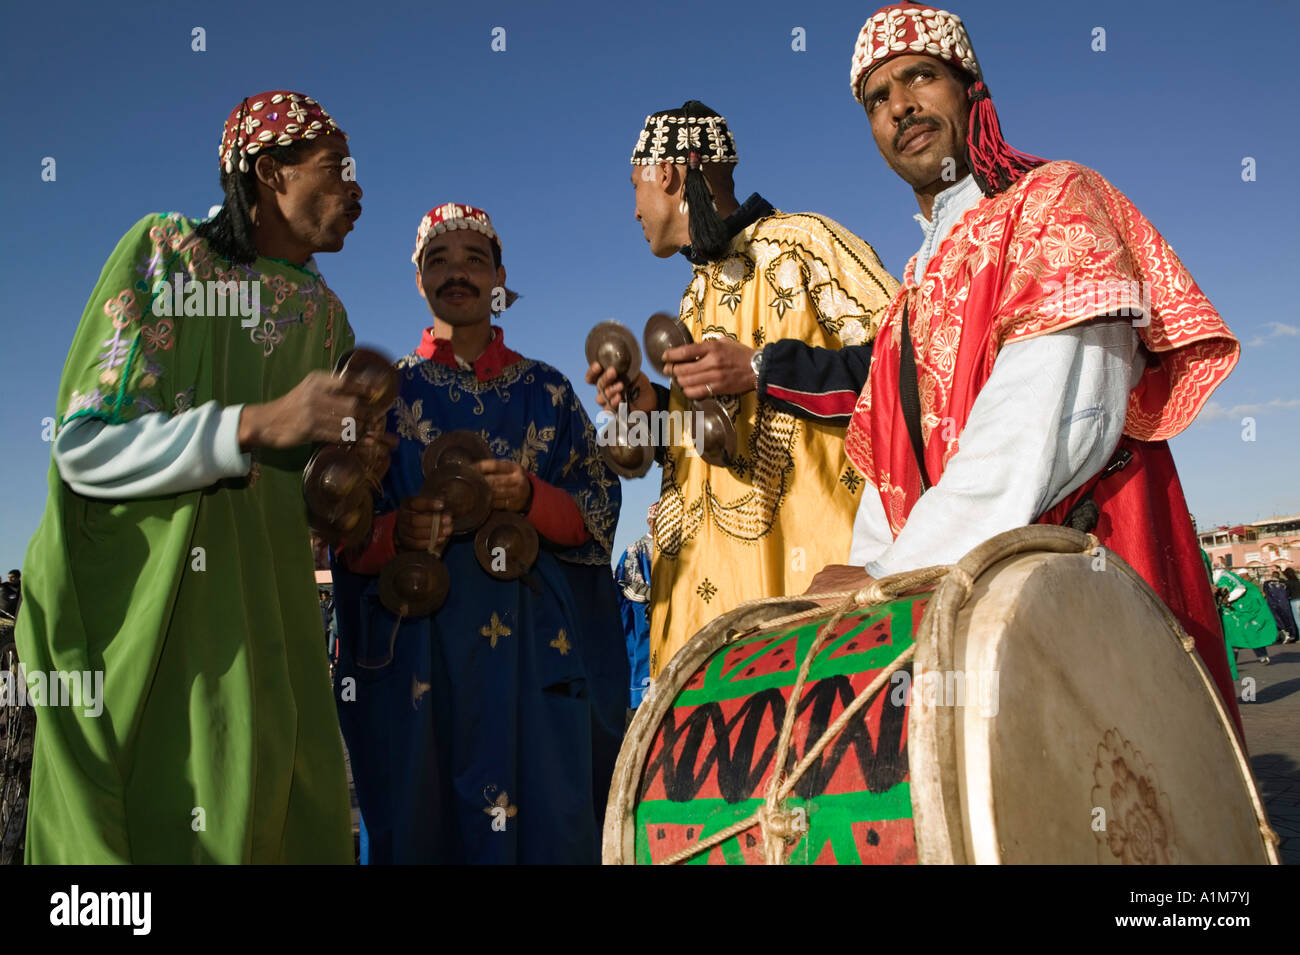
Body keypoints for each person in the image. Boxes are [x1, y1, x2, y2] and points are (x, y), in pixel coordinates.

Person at [809, 3, 1243, 730]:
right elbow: (885, 485)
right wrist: (871, 596)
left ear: (971, 90)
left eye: (921, 77)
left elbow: (1050, 420)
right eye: (876, 98)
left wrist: (892, 577)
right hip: (945, 614)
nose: (900, 106)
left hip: (1077, 590)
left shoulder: (1055, 202)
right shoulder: (904, 302)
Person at [16, 90, 367, 863]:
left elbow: (319, 496)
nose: (356, 189)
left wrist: (349, 490)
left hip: (274, 638)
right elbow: (83, 445)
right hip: (164, 629)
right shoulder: (168, 256)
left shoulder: (328, 317)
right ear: (270, 173)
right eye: (334, 168)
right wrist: (252, 424)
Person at [331, 203, 627, 864]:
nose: (455, 273)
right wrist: (394, 532)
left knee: (547, 829)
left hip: (534, 663)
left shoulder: (547, 392)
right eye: (437, 260)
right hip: (420, 664)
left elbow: (599, 511)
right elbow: (344, 533)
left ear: (498, 278)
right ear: (417, 281)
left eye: (472, 259)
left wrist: (529, 495)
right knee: (420, 830)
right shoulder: (385, 396)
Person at [590, 100, 899, 676]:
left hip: (807, 592)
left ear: (669, 173)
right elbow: (709, 442)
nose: (634, 208)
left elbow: (912, 366)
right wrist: (646, 405)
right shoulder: (692, 298)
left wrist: (762, 367)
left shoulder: (806, 246)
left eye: (635, 185)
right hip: (703, 614)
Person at [615, 505, 656, 710]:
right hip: (644, 618)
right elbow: (627, 583)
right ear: (650, 521)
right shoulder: (636, 549)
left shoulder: (674, 548)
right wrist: (655, 596)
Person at [1213, 564, 1277, 672]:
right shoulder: (1220, 578)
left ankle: (1262, 655)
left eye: (1243, 575)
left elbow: (1245, 590)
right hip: (1232, 612)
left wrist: (1227, 600)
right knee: (1234, 636)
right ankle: (1232, 663)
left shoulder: (1232, 579)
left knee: (1250, 631)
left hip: (1244, 610)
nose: (1242, 576)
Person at [1263, 569, 1298, 644]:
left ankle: (1283, 633)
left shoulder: (1267, 583)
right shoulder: (1284, 583)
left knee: (1277, 620)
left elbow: (1265, 593)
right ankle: (1292, 634)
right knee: (1289, 619)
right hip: (1285, 603)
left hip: (1273, 604)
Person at [1285, 567, 1300, 644]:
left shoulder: (1287, 583)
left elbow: (1286, 593)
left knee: (1298, 620)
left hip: (1294, 601)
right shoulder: (1298, 581)